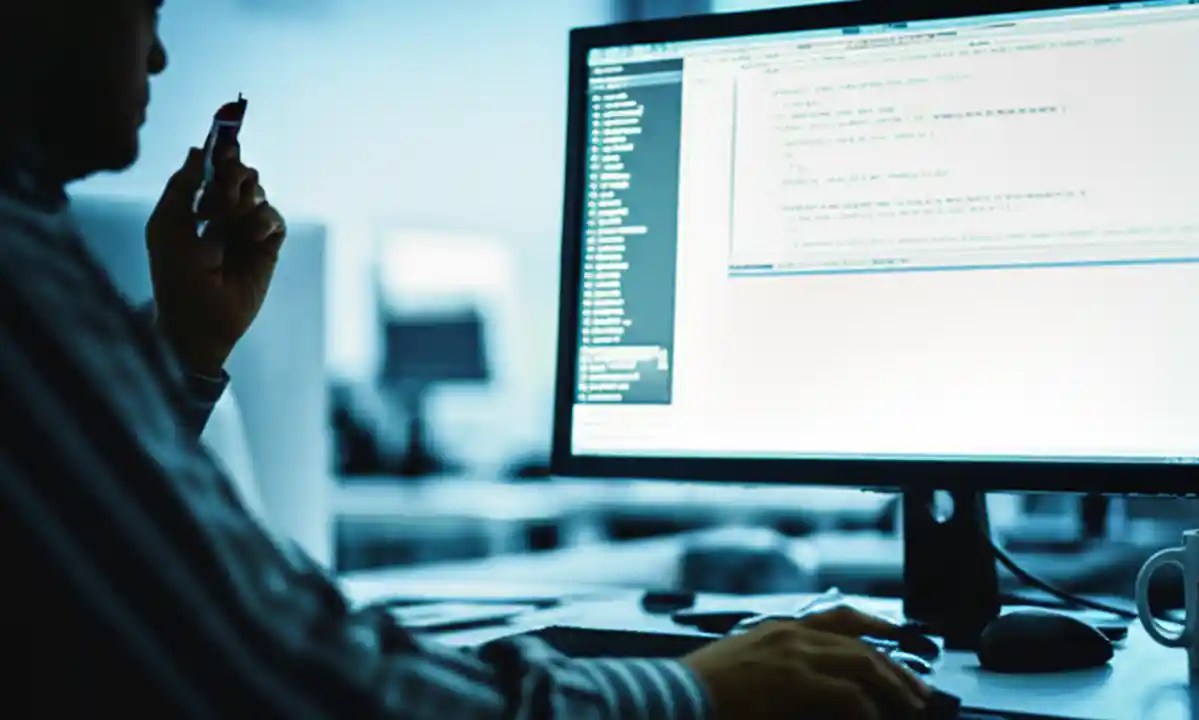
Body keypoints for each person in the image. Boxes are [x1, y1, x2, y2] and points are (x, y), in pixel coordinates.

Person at [0, 2, 934, 718]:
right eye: (149, 9)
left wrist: (181, 349)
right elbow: (275, 672)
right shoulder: (19, 265)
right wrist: (690, 695)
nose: (160, 52)